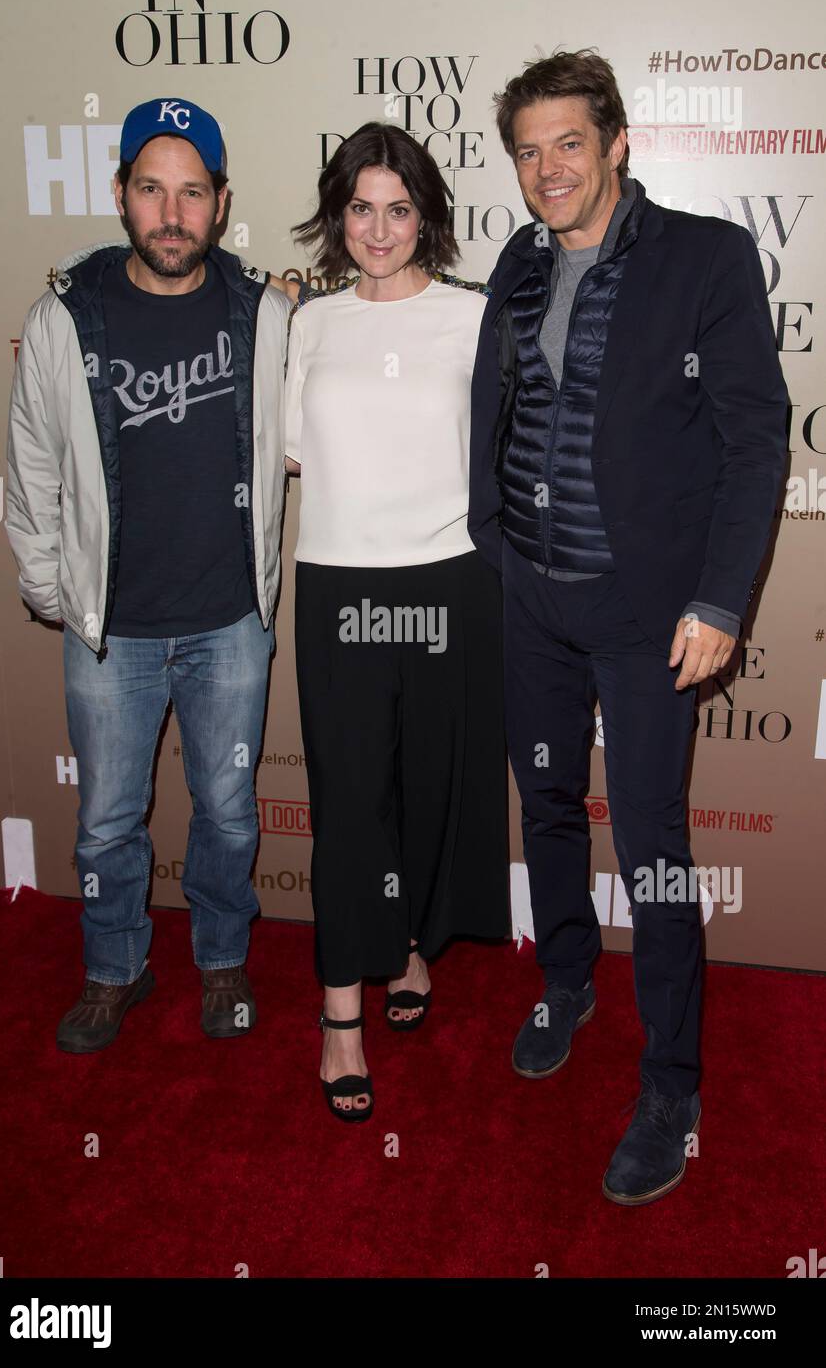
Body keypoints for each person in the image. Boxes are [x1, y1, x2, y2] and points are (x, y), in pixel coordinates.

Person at [468, 51, 788, 1202]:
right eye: (525, 150)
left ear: (615, 142)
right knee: (546, 802)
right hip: (534, 599)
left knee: (650, 846)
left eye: (567, 142)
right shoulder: (515, 259)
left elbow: (757, 437)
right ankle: (564, 977)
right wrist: (494, 539)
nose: (546, 169)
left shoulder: (702, 258)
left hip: (648, 617)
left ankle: (670, 1080)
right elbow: (498, 405)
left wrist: (716, 601)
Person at [5, 98, 291, 1052]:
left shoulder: (267, 315)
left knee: (229, 813)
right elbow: (32, 462)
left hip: (229, 623)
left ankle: (221, 960)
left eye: (193, 193)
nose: (173, 214)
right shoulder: (63, 318)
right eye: (151, 190)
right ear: (121, 195)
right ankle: (113, 967)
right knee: (106, 823)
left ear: (221, 202)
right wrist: (55, 593)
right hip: (110, 630)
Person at [285, 122, 509, 1122]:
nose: (379, 229)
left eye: (399, 208)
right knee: (348, 801)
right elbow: (292, 451)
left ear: (427, 215)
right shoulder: (308, 323)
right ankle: (341, 1012)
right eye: (361, 207)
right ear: (339, 215)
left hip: (446, 584)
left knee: (430, 789)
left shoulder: (472, 316)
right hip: (338, 583)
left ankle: (411, 941)